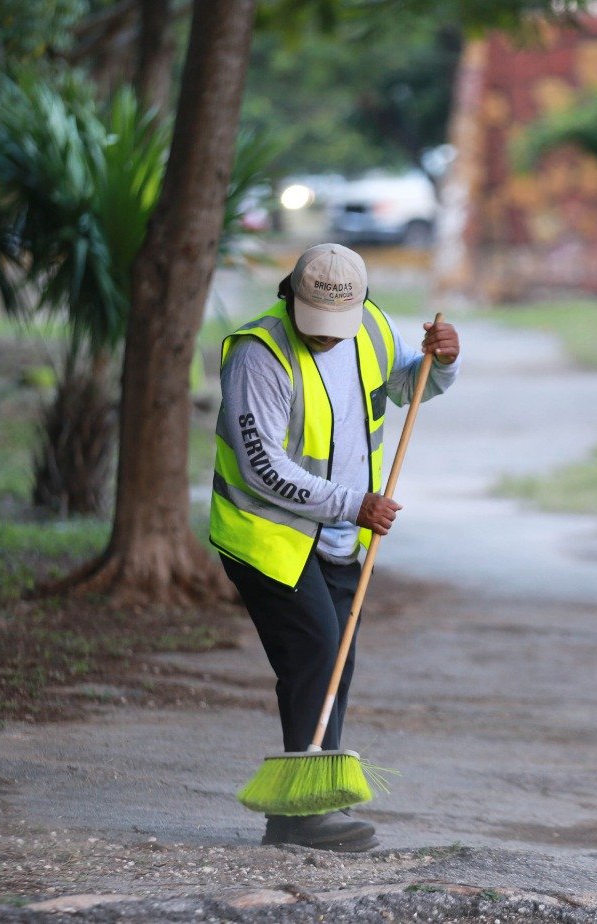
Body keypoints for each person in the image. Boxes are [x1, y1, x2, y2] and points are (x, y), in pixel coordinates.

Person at [209, 243, 460, 851]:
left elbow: (408, 385)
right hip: (268, 534)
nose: (325, 339)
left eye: (334, 329)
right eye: (313, 326)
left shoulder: (371, 327)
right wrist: (354, 503)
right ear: (290, 297)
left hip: (341, 536)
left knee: (333, 662)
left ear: (360, 304)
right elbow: (260, 465)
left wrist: (443, 363)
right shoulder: (258, 354)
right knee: (318, 651)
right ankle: (300, 815)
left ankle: (305, 803)